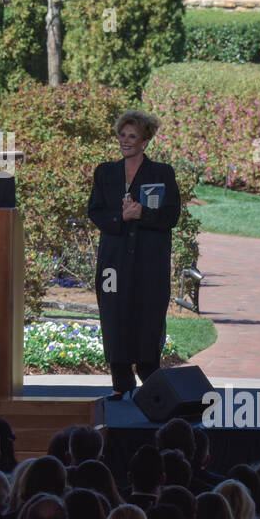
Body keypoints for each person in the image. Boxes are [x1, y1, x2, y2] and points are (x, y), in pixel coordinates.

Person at [87, 109, 181, 400]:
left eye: (132, 136)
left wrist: (143, 213)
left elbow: (171, 215)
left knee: (148, 320)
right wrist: (121, 217)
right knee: (114, 319)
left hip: (149, 263)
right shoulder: (105, 172)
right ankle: (121, 386)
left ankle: (152, 385)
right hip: (113, 263)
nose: (125, 141)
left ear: (145, 141)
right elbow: (96, 211)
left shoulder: (162, 173)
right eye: (122, 135)